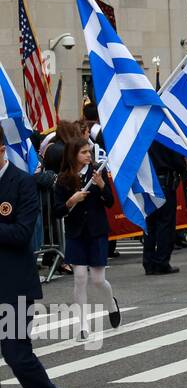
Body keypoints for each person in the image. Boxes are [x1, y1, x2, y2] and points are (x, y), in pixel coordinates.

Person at [0, 149, 70, 388]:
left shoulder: (22, 183)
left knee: (17, 355)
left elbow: (21, 234)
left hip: (13, 286)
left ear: (1, 150)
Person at [52, 139, 120, 338]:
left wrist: (101, 186)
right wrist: (71, 201)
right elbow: (57, 211)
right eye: (84, 152)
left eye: (89, 152)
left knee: (98, 280)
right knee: (80, 277)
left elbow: (110, 202)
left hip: (96, 231)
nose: (89, 156)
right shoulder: (63, 179)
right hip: (75, 233)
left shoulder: (97, 173)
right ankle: (83, 323)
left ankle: (111, 304)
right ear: (73, 155)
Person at [142, 142, 187, 275]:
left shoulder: (144, 132)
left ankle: (149, 262)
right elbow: (178, 161)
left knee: (150, 224)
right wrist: (183, 171)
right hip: (164, 182)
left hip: (148, 182)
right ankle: (161, 262)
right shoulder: (166, 135)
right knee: (165, 223)